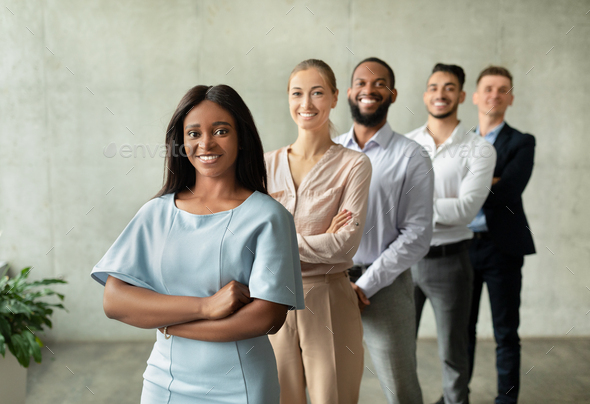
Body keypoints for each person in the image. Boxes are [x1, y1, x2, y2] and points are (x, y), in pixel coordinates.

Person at [91, 84, 305, 404]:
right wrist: (205, 307)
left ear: (242, 139)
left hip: (241, 386)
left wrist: (169, 325)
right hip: (164, 381)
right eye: (193, 133)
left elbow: (267, 318)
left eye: (220, 131)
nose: (206, 143)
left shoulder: (269, 217)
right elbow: (115, 300)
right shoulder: (156, 213)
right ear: (181, 143)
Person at [265, 59, 372, 404]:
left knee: (334, 398)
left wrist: (280, 243)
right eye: (297, 93)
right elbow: (249, 243)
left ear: (335, 97)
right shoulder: (265, 165)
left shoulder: (354, 164)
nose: (306, 104)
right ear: (288, 98)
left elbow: (344, 245)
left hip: (328, 298)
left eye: (317, 93)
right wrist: (319, 238)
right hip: (270, 301)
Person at [334, 57, 434, 404]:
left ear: (392, 94)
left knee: (400, 388)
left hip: (385, 288)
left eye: (379, 84)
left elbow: (418, 234)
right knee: (329, 384)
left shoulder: (412, 156)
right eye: (361, 82)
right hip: (330, 283)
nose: (369, 89)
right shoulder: (328, 152)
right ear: (348, 93)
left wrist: (364, 286)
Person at [405, 63, 496, 404]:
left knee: (452, 356)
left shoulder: (480, 149)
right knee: (399, 352)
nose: (440, 94)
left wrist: (414, 207)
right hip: (404, 261)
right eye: (433, 87)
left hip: (450, 263)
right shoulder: (407, 144)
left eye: (448, 87)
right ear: (426, 93)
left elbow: (466, 211)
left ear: (460, 95)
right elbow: (390, 206)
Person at [467, 66, 536, 404]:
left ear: (510, 98)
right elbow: (440, 188)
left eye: (503, 89)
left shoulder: (522, 142)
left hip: (502, 248)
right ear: (476, 96)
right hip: (460, 247)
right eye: (488, 88)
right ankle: (456, 395)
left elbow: (509, 191)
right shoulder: (458, 142)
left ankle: (506, 400)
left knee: (505, 333)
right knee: (460, 332)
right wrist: (489, 181)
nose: (495, 94)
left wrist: (468, 185)